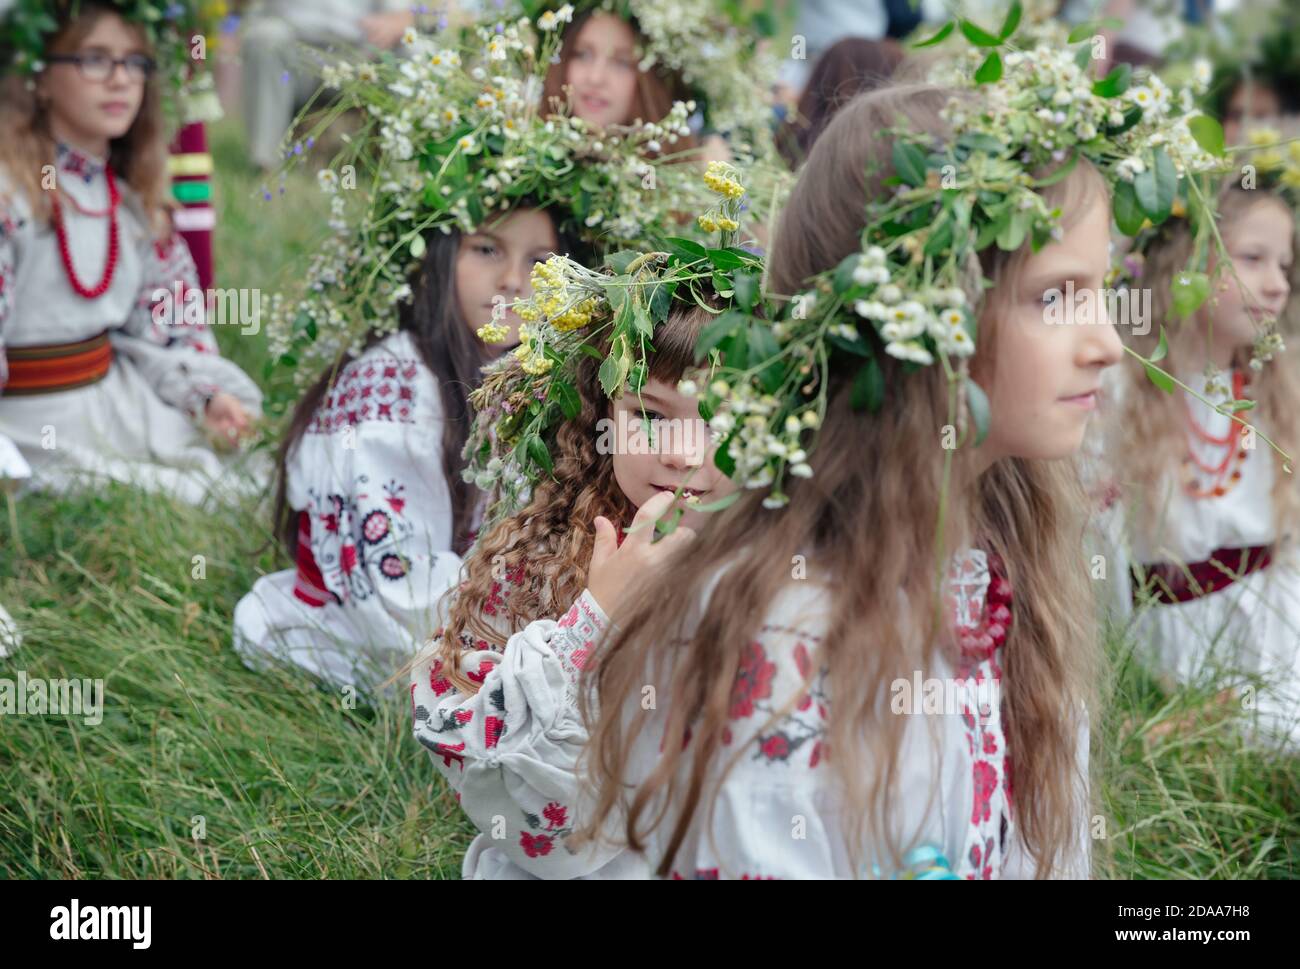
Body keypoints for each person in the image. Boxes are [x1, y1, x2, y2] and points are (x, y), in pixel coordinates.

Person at [0, 1, 262, 507]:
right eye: (94, 58)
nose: (120, 79)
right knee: (186, 497)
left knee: (254, 478)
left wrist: (205, 398)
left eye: (135, 62)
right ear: (41, 77)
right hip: (31, 422)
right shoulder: (11, 199)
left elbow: (164, 331)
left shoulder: (132, 201)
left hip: (113, 402)